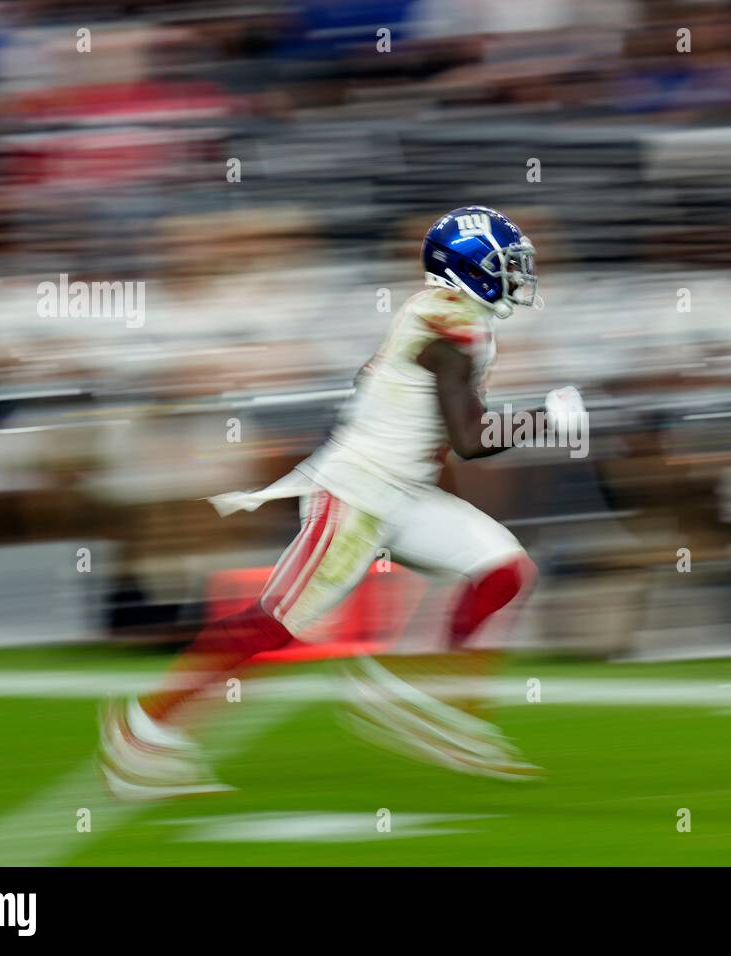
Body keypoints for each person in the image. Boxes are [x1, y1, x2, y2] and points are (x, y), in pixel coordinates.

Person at [99, 206, 587, 799]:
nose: (515, 274)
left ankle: (440, 705)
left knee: (504, 570)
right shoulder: (445, 328)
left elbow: (435, 437)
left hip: (404, 493)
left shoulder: (463, 316)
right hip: (356, 495)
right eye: (503, 264)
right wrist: (545, 421)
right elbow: (469, 437)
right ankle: (144, 728)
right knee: (276, 624)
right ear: (467, 268)